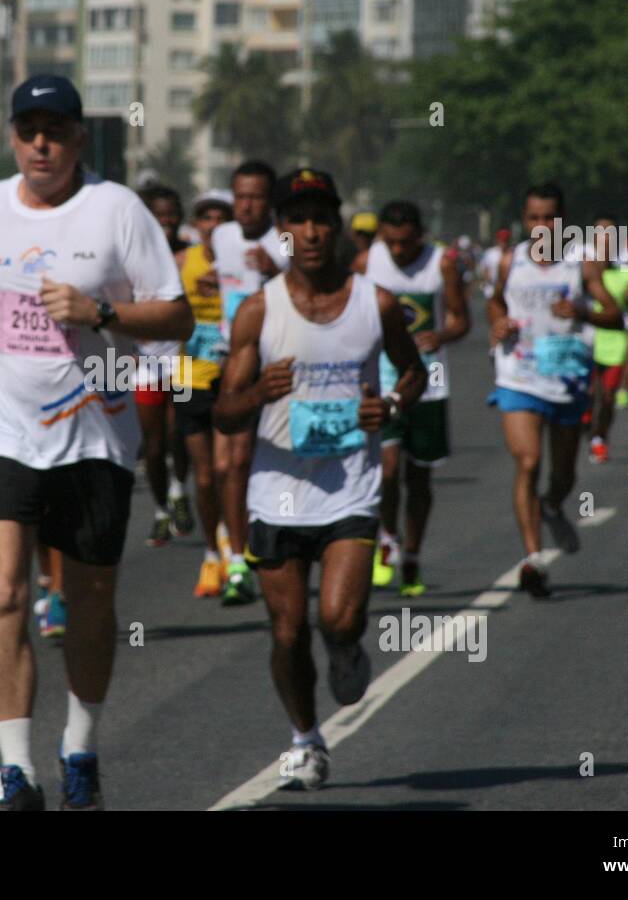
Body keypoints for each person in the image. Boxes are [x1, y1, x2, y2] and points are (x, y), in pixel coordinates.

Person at [0, 74, 192, 810]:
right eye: (27, 130)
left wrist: (100, 309)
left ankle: (80, 746)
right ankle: (16, 769)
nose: (40, 144)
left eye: (55, 130)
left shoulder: (117, 211)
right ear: (11, 136)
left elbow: (176, 318)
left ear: (81, 137)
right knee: (1, 592)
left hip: (93, 433)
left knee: (90, 600)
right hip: (1, 426)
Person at [214, 168, 426, 790]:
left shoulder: (374, 303)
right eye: (297, 220)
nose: (309, 232)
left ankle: (347, 648)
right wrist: (257, 391)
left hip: (350, 488)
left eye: (320, 219)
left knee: (336, 618)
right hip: (277, 492)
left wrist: (387, 408)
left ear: (336, 226)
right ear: (281, 229)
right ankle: (306, 739)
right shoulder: (259, 311)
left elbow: (414, 374)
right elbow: (224, 412)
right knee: (285, 631)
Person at [487, 183, 622, 598]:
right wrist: (499, 322)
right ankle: (534, 558)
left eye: (550, 218)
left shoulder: (582, 264)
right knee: (528, 461)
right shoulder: (510, 261)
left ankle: (551, 505)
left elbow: (615, 316)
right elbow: (495, 302)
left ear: (563, 221)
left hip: (566, 380)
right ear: (524, 220)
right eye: (534, 218)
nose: (542, 226)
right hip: (519, 376)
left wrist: (582, 310)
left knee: (563, 473)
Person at [357, 200, 470, 597]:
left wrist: (440, 335)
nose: (399, 251)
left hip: (431, 381)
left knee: (419, 477)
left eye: (406, 243)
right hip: (386, 379)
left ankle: (413, 556)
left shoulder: (442, 263)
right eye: (391, 243)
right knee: (387, 470)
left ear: (420, 236)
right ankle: (387, 537)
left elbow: (461, 319)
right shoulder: (367, 261)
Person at [209, 160, 286, 606]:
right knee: (227, 464)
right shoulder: (221, 237)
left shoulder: (286, 240)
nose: (247, 205)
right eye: (240, 196)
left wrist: (276, 270)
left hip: (276, 361)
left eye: (256, 197)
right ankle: (237, 561)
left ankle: (269, 543)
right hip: (226, 358)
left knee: (269, 460)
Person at [172, 188, 234, 596]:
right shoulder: (179, 263)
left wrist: (230, 287)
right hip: (188, 377)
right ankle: (212, 553)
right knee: (206, 476)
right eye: (205, 218)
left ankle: (234, 545)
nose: (212, 226)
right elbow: (163, 312)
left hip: (232, 379)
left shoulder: (246, 264)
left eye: (220, 218)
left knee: (231, 470)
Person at [136, 184, 195, 544]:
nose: (168, 221)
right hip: (144, 365)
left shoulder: (193, 256)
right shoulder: (132, 256)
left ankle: (178, 489)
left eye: (172, 213)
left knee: (178, 433)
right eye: (160, 215)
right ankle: (160, 510)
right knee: (153, 446)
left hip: (184, 361)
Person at [584, 214, 628, 464]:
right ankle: (588, 431)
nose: (605, 239)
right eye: (600, 233)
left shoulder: (626, 275)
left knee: (608, 396)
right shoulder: (581, 271)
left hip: (614, 343)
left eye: (610, 234)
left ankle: (600, 438)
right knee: (587, 397)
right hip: (586, 342)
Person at [479, 228, 512, 301]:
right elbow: (485, 268)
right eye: (502, 240)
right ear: (498, 240)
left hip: (508, 289)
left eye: (505, 240)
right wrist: (487, 278)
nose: (503, 242)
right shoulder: (490, 253)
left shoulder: (513, 253)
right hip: (491, 288)